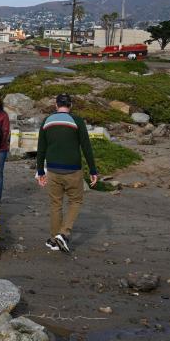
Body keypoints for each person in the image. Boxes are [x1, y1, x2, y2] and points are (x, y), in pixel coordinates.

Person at [35, 93, 98, 254]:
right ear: (70, 105)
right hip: (73, 169)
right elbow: (86, 147)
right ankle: (63, 233)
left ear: (56, 105)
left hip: (53, 170)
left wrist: (40, 171)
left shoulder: (47, 121)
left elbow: (41, 149)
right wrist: (93, 170)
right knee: (75, 201)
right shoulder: (77, 121)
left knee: (56, 204)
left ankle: (55, 239)